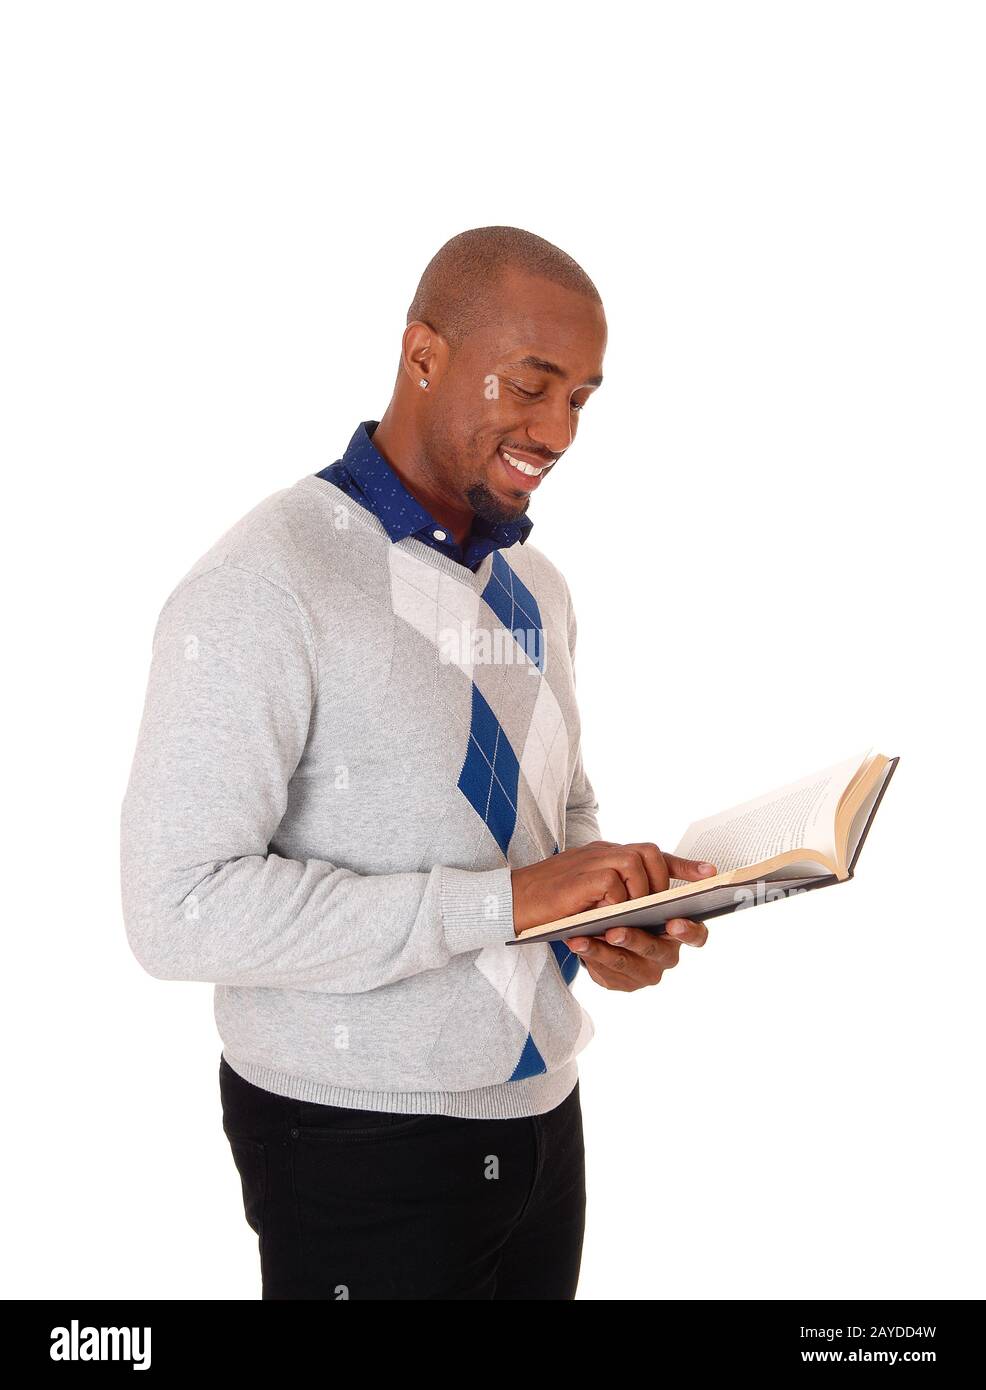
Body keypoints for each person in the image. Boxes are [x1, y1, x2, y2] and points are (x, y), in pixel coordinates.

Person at [120, 225, 716, 1300]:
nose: (557, 429)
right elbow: (177, 909)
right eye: (531, 385)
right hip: (355, 1142)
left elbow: (556, 818)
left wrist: (597, 916)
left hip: (543, 1122)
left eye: (580, 396)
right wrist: (507, 903)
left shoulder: (537, 586)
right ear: (423, 355)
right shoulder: (266, 582)